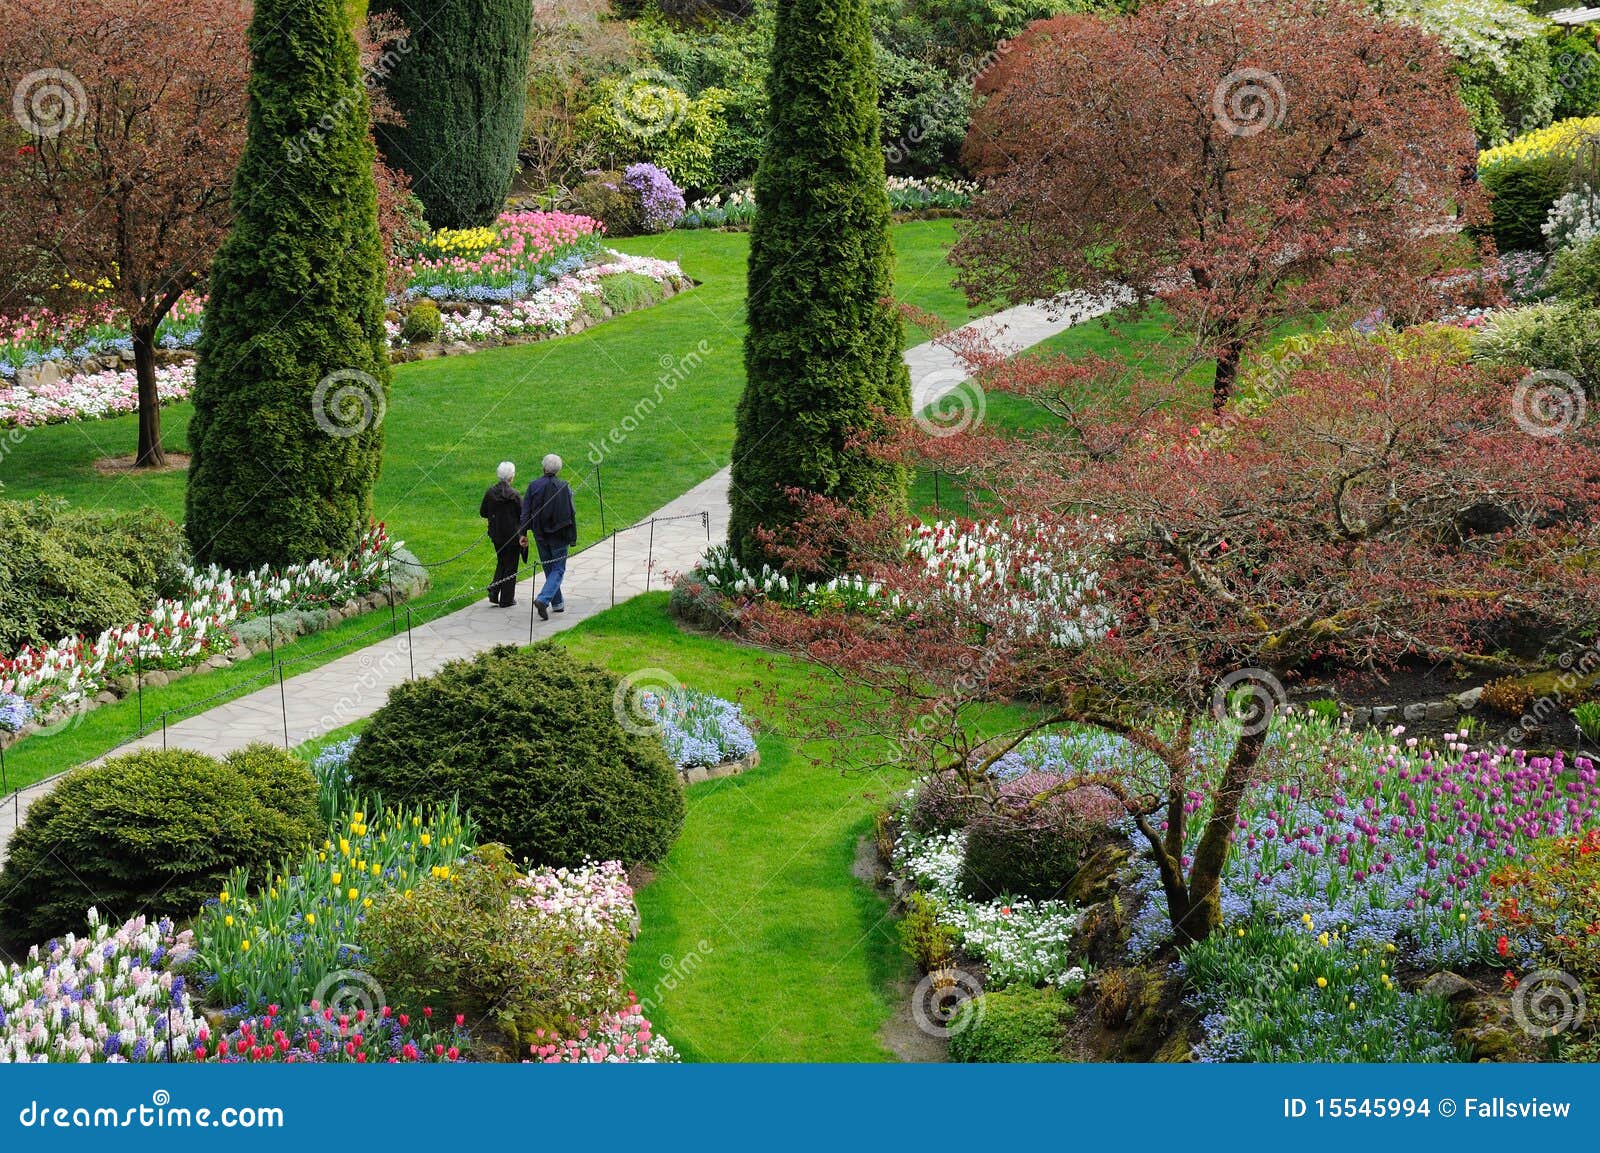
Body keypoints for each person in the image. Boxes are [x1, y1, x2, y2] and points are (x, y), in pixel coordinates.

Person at [521, 453, 578, 620]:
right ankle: (543, 600)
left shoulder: (534, 486)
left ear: (543, 467)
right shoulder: (564, 487)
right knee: (558, 569)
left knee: (549, 568)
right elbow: (571, 512)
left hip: (540, 535)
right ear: (558, 469)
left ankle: (558, 604)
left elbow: (526, 512)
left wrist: (522, 534)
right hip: (559, 535)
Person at [479, 461, 525, 607]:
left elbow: (483, 512)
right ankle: (506, 599)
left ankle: (494, 590)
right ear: (511, 477)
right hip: (512, 537)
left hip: (497, 536)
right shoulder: (515, 495)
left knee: (502, 561)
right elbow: (523, 514)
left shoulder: (490, 493)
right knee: (511, 566)